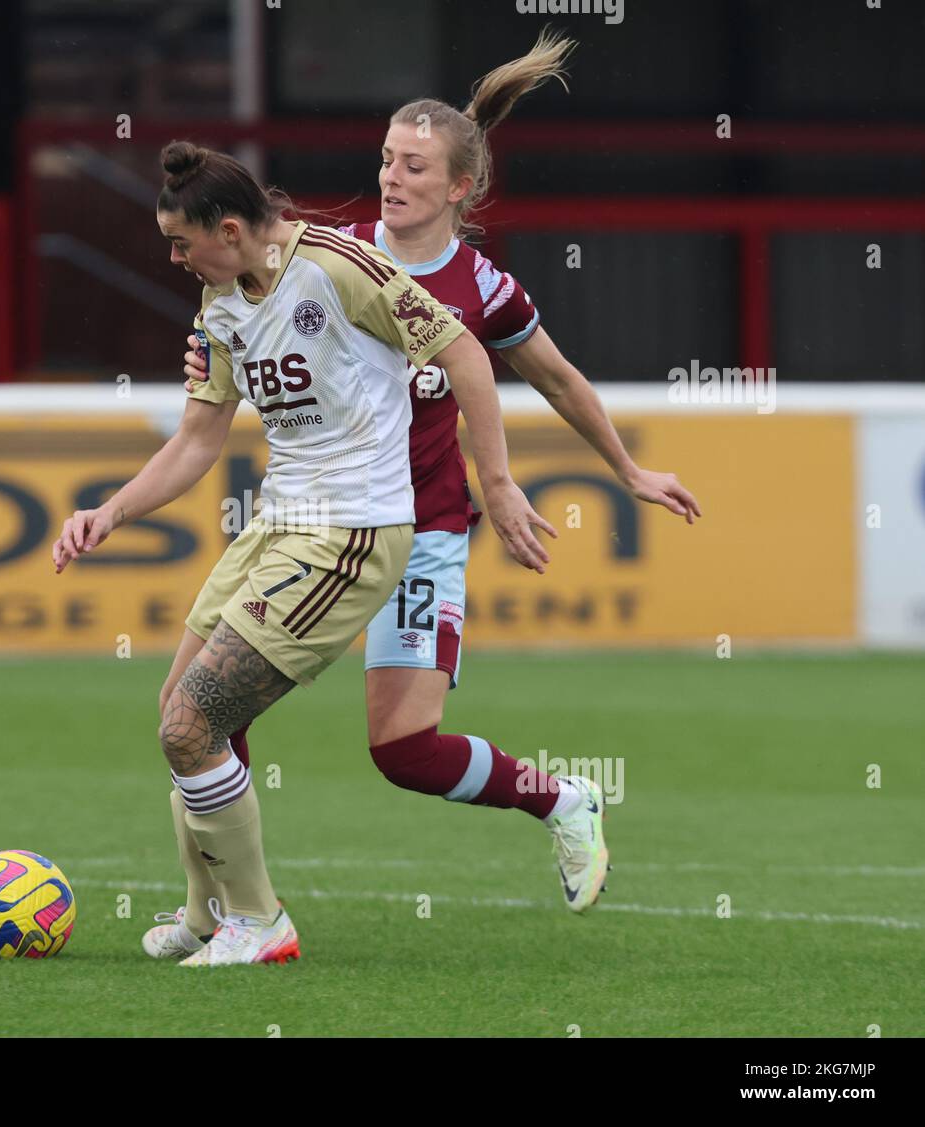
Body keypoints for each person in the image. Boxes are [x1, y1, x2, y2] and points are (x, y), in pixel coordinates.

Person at [148, 30, 703, 957]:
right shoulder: (332, 256)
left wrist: (626, 471)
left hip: (424, 529)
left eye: (414, 166)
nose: (391, 177)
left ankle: (562, 797)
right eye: (385, 160)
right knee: (210, 707)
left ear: (459, 188)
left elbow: (558, 381)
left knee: (402, 751)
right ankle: (220, 912)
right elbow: (244, 312)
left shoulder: (481, 287)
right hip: (317, 524)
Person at [54, 139, 552, 966]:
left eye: (182, 242)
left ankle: (261, 922)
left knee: (192, 724)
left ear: (232, 226)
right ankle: (209, 913)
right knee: (180, 711)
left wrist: (495, 483)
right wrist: (112, 511)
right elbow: (197, 438)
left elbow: (463, 351)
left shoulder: (335, 265)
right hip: (278, 527)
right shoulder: (219, 303)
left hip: (354, 533)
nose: (174, 258)